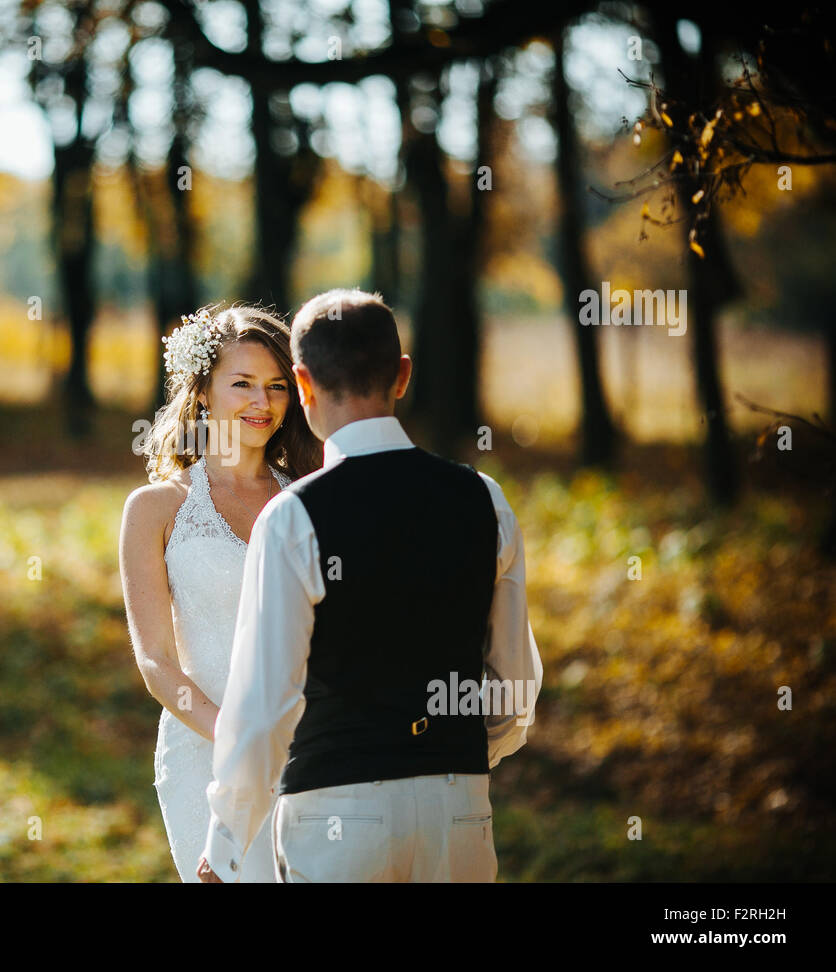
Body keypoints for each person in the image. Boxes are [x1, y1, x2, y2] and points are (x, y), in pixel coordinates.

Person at [197, 288, 543, 883]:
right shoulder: (484, 499)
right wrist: (447, 761)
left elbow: (264, 703)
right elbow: (514, 687)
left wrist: (227, 838)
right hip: (459, 810)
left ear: (301, 383)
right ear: (402, 375)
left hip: (336, 814)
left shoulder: (291, 518)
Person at [119, 303, 321, 882]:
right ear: (203, 389)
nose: (262, 402)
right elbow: (155, 659)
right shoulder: (156, 509)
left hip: (305, 748)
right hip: (202, 753)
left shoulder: (311, 499)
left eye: (278, 386)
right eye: (243, 384)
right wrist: (235, 735)